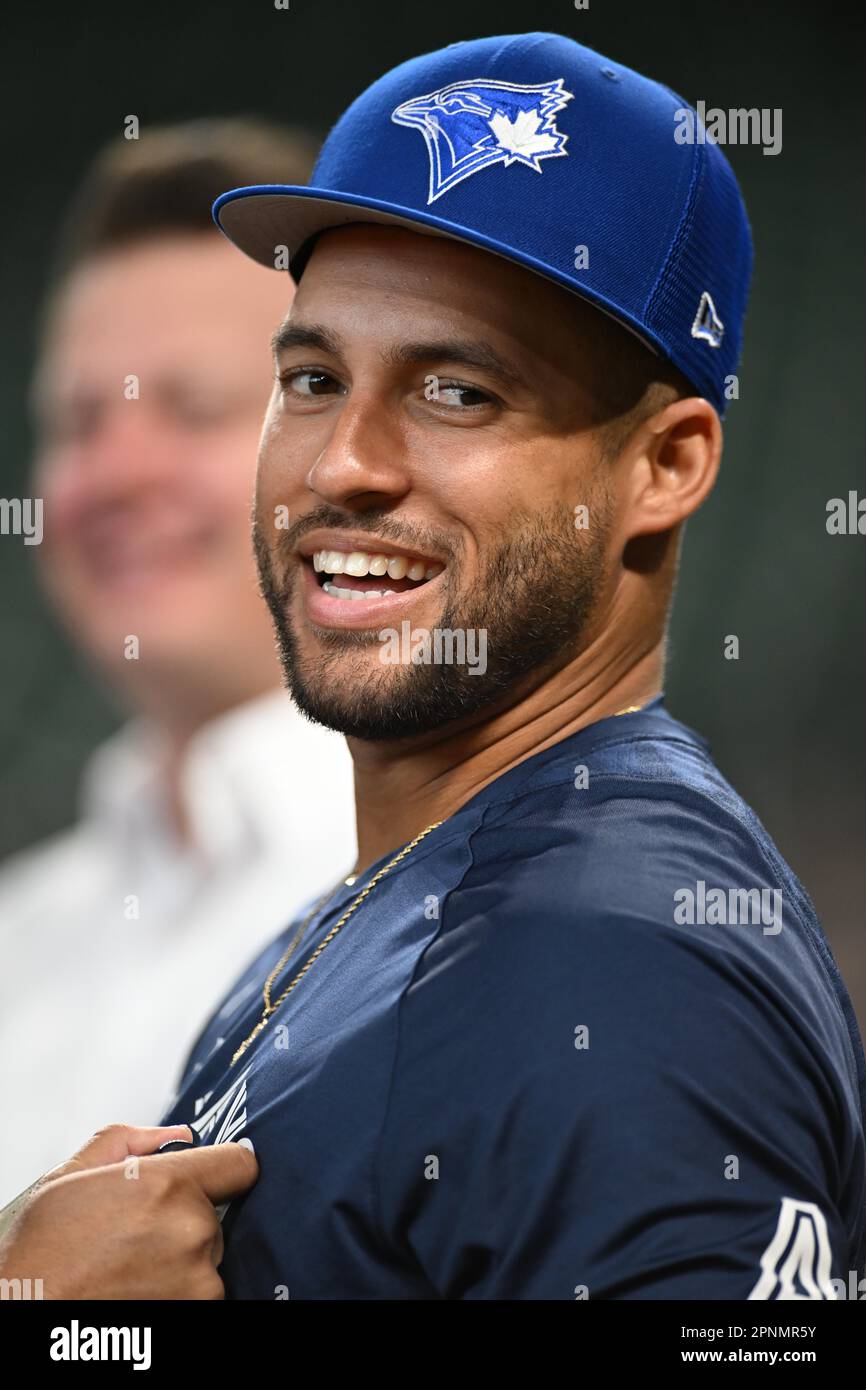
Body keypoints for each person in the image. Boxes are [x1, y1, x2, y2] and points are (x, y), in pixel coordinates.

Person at [2, 32, 864, 1300]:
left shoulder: (616, 957)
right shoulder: (360, 923)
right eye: (311, 377)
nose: (341, 463)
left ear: (664, 464)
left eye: (456, 391)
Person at [0, 121, 356, 1206]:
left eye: (194, 408)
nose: (117, 472)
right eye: (77, 421)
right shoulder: (19, 934)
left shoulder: (489, 900)